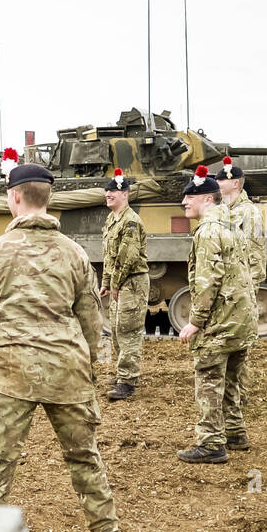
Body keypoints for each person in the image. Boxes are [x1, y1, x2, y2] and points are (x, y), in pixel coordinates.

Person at [0, 162, 123, 532]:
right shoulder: (75, 253)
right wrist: (86, 363)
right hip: (68, 368)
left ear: (14, 197)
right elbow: (91, 321)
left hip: (13, 371)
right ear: (47, 199)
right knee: (84, 455)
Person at [175, 165, 256, 463]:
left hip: (220, 321)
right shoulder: (231, 225)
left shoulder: (208, 231)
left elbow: (208, 280)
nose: (184, 201)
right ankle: (235, 432)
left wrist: (195, 322)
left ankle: (211, 443)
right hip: (241, 319)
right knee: (233, 378)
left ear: (208, 199)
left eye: (190, 196)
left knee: (209, 377)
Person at [216, 156, 266, 446]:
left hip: (242, 282)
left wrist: (251, 283)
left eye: (222, 179)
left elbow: (252, 249)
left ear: (235, 182)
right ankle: (234, 393)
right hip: (231, 282)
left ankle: (240, 394)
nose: (218, 183)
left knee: (240, 343)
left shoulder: (247, 212)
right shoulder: (226, 208)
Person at [99, 168, 148, 401]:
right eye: (107, 191)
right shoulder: (112, 219)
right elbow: (109, 256)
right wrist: (107, 282)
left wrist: (116, 283)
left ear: (125, 194)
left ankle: (128, 381)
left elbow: (127, 257)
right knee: (118, 330)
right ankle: (123, 375)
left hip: (132, 283)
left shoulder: (130, 222)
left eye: (114, 191)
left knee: (128, 331)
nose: (109, 194)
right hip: (120, 283)